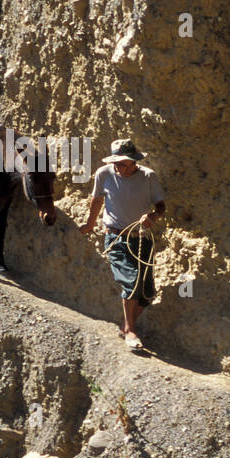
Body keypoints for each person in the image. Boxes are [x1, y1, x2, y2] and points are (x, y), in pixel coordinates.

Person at [80, 139, 165, 351]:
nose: (125, 169)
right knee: (132, 282)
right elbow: (97, 200)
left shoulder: (148, 176)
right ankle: (130, 331)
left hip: (142, 238)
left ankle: (127, 325)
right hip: (116, 238)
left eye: (129, 164)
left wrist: (153, 216)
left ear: (136, 161)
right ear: (113, 162)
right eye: (120, 164)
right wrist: (90, 224)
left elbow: (161, 205)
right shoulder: (104, 174)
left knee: (146, 292)